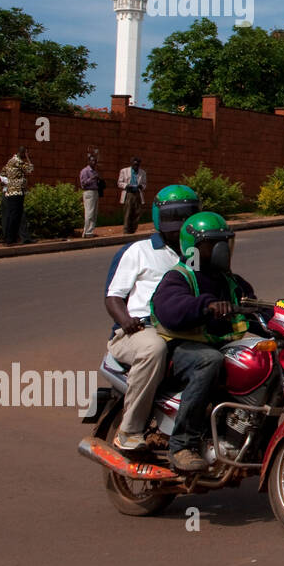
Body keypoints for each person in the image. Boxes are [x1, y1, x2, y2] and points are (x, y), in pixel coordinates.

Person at [150, 211, 255, 473]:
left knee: (262, 358)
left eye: (225, 242)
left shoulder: (231, 282)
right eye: (213, 244)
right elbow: (171, 309)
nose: (222, 249)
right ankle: (182, 445)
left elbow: (252, 306)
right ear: (194, 248)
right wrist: (206, 305)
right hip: (180, 349)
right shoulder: (180, 276)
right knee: (210, 360)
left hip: (217, 345)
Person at [104, 185, 201, 453]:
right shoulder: (137, 251)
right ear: (160, 218)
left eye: (187, 215)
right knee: (154, 348)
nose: (181, 223)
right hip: (139, 331)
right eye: (175, 216)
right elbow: (113, 297)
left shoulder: (193, 254)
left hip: (181, 329)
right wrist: (126, 321)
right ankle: (129, 431)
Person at [0, 147, 33, 245]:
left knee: (11, 216)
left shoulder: (10, 161)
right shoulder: (18, 161)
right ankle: (10, 239)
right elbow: (30, 169)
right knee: (15, 216)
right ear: (23, 153)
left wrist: (8, 183)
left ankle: (10, 239)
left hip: (9, 192)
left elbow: (2, 174)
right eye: (25, 153)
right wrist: (28, 157)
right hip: (16, 192)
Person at [118, 157, 147, 234]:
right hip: (129, 193)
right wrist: (127, 186)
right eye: (134, 165)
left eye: (137, 165)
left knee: (137, 212)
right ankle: (126, 229)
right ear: (131, 164)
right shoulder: (124, 171)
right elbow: (119, 183)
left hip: (137, 193)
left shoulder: (142, 172)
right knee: (128, 212)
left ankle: (133, 229)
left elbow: (144, 184)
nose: (136, 166)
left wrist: (141, 186)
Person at [77, 152, 102, 237]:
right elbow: (83, 184)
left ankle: (90, 231)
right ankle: (86, 231)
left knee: (94, 213)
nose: (94, 162)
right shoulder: (85, 171)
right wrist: (92, 178)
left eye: (95, 161)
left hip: (95, 192)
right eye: (92, 161)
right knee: (89, 212)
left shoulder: (94, 171)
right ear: (88, 162)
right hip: (88, 192)